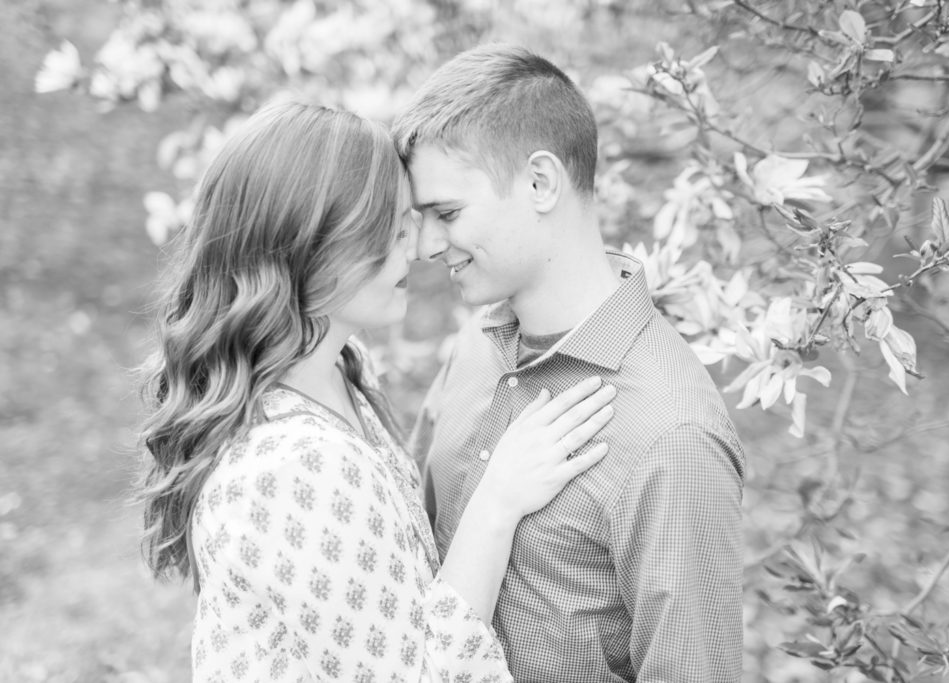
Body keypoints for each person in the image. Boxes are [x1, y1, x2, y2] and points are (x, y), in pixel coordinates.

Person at [136, 100, 617, 682]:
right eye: (388, 229)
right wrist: (498, 501)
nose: (416, 248)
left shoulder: (334, 367)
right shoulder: (296, 469)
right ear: (306, 244)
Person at [394, 44, 746, 682]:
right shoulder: (476, 343)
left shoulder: (672, 433)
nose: (425, 245)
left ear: (540, 183)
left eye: (446, 213)